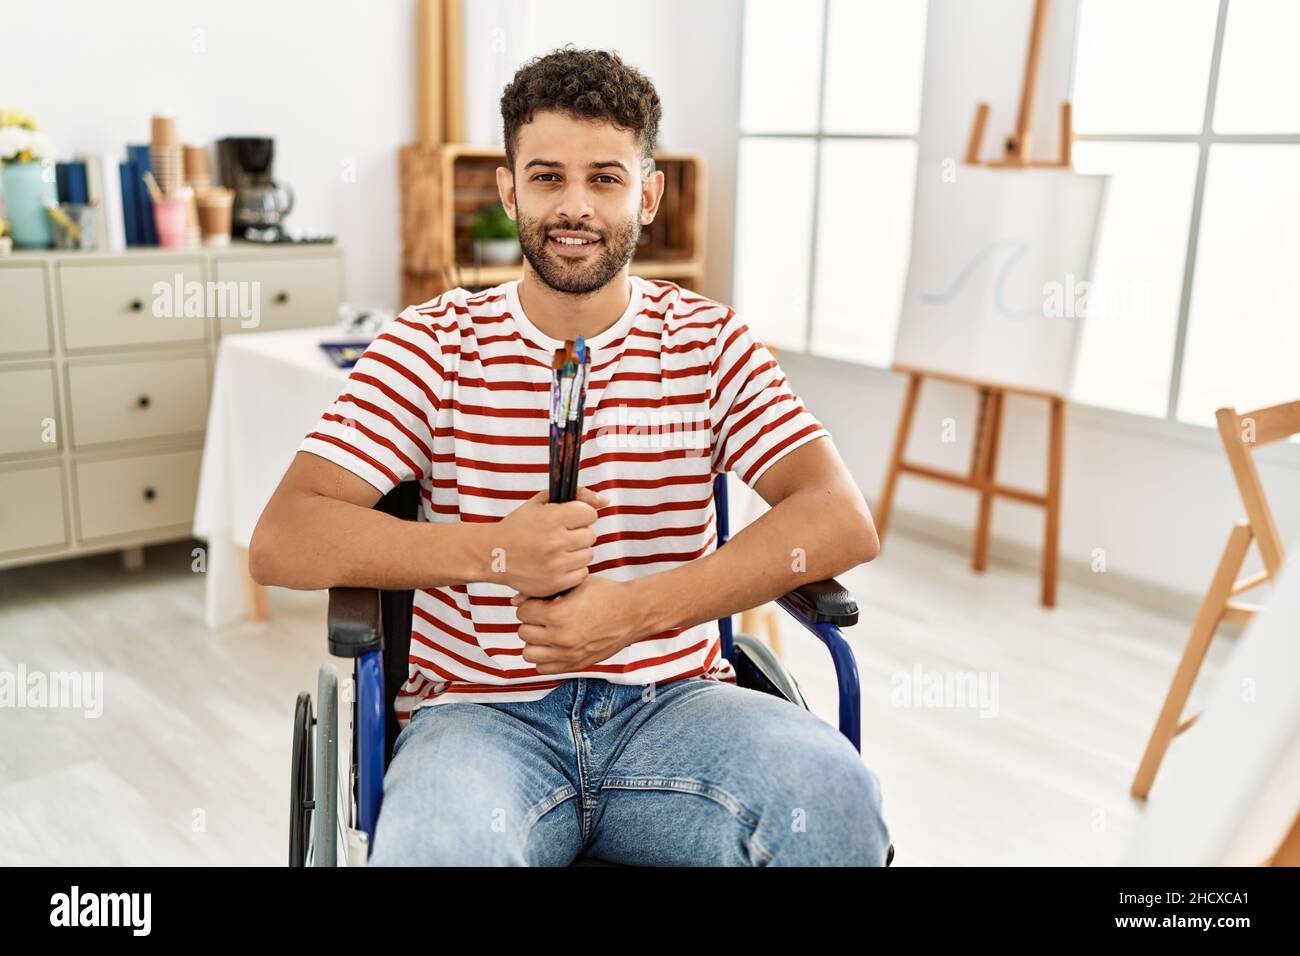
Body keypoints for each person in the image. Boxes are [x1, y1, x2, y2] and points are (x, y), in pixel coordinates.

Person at [250, 46, 889, 866]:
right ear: (509, 189)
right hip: (476, 720)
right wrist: (493, 551)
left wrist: (632, 612)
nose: (574, 206)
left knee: (836, 797)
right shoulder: (430, 344)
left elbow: (840, 520)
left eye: (606, 178)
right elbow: (284, 537)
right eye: (547, 177)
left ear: (648, 193)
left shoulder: (710, 342)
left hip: (677, 709)